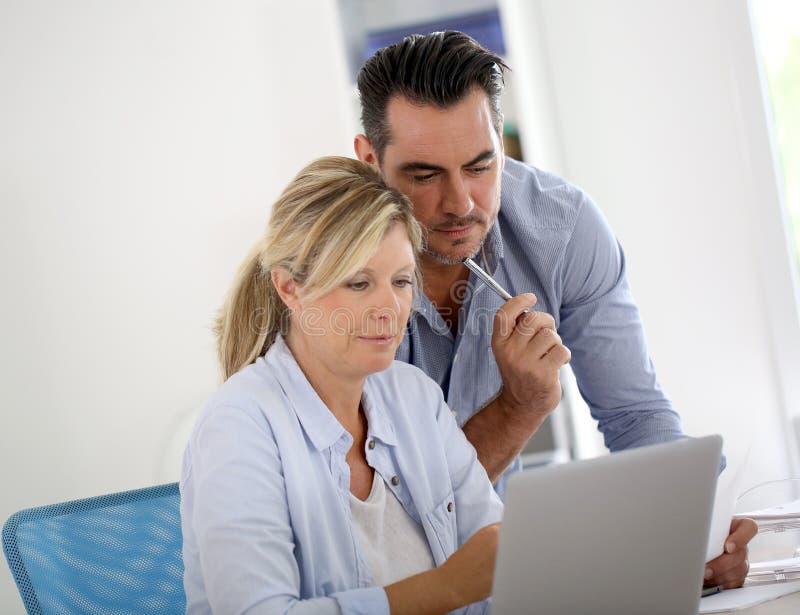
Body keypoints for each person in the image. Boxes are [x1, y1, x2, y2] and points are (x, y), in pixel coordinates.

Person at [353, 31, 756, 589]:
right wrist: (519, 408)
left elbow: (635, 417)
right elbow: (389, 527)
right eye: (425, 175)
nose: (461, 203)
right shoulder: (327, 278)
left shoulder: (563, 230)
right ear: (370, 160)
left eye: (481, 165)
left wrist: (694, 531)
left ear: (500, 141)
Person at [180, 156, 503, 614]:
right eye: (358, 283)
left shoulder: (414, 396)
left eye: (401, 281)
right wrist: (446, 589)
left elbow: (494, 555)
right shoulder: (239, 424)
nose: (389, 308)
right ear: (290, 288)